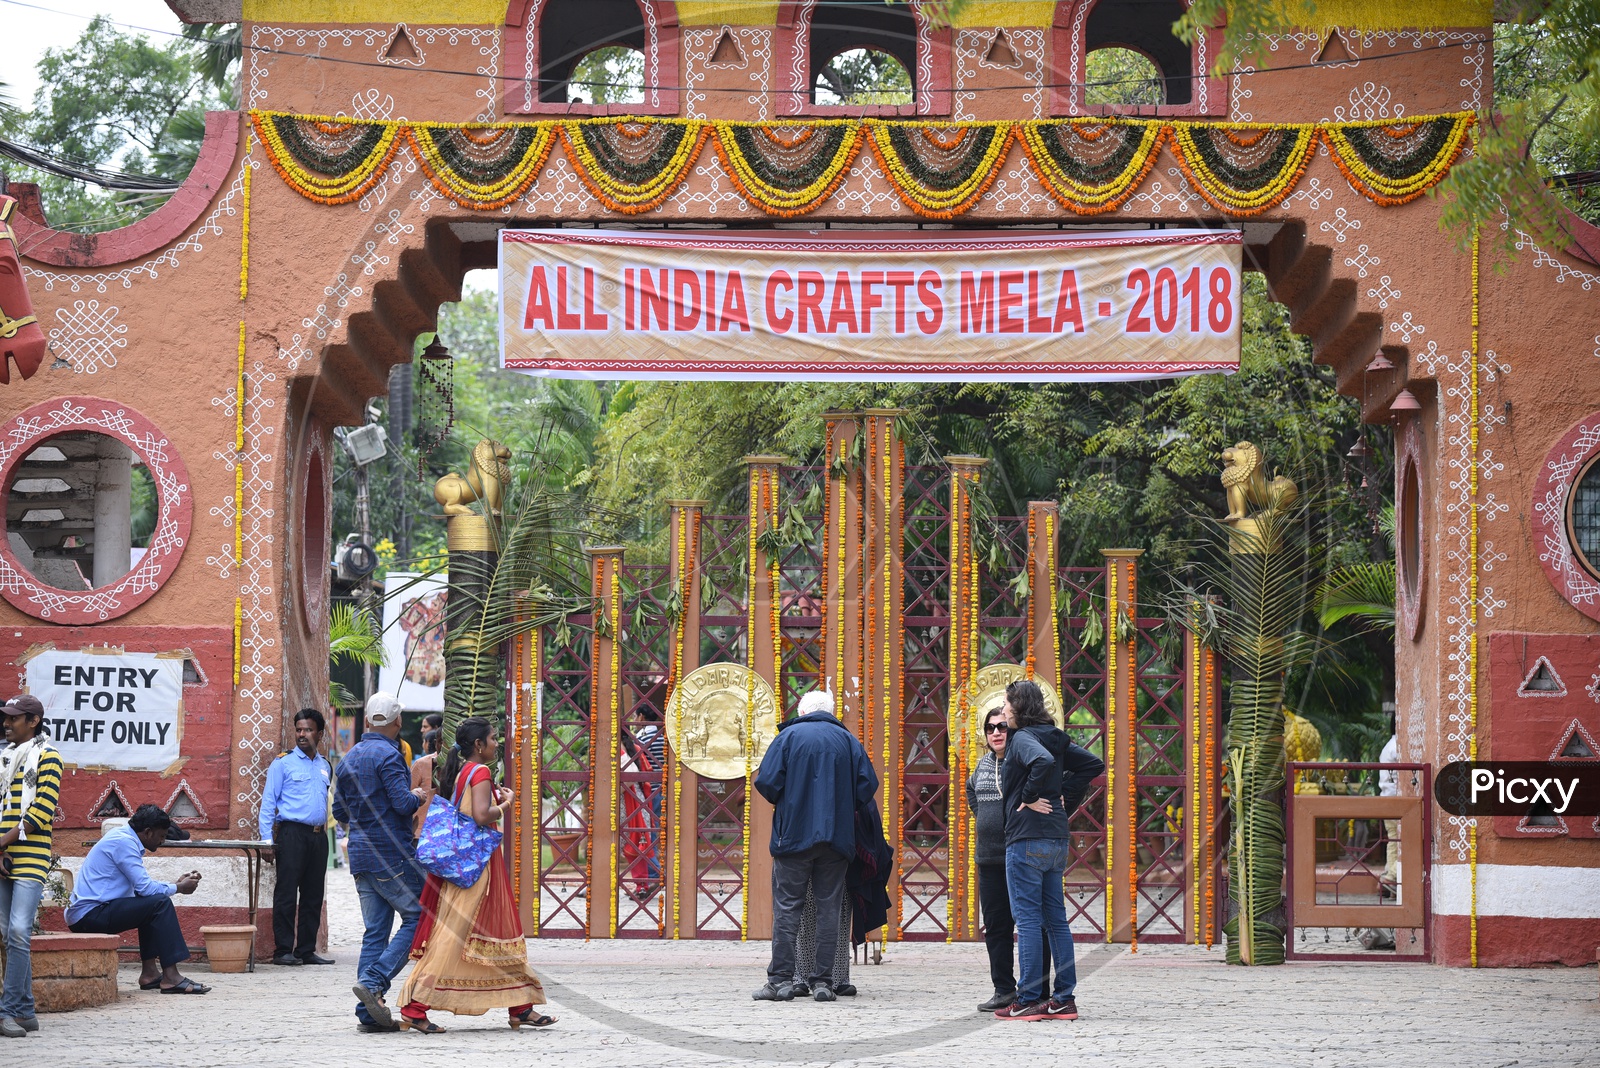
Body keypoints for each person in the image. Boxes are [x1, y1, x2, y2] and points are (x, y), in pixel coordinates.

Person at [397, 717, 555, 1033]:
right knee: (455, 935)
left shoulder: (460, 771)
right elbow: (482, 815)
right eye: (494, 738)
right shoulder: (480, 771)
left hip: (468, 863)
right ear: (479, 745)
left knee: (490, 935)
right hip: (477, 868)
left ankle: (521, 1005)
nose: (497, 743)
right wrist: (507, 804)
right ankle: (415, 1007)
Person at [752, 687, 878, 1003]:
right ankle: (823, 982)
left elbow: (767, 782)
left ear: (803, 711)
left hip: (792, 837)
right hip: (837, 839)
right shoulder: (848, 741)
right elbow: (867, 788)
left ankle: (780, 981)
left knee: (786, 908)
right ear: (831, 712)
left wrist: (791, 800)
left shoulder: (788, 738)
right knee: (829, 908)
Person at [996, 680, 1102, 1023]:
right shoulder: (1056, 738)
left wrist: (1028, 796)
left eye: (1008, 705)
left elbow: (1039, 762)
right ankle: (1063, 999)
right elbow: (1092, 764)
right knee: (1056, 920)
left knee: (1027, 921)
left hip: (1025, 838)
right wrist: (1064, 799)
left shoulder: (1023, 739)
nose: (1004, 712)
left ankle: (1027, 998)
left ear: (1020, 708)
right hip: (1056, 839)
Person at [333, 693, 426, 1034]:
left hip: (359, 853)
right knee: (419, 917)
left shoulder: (348, 759)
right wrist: (417, 796)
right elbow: (402, 803)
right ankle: (374, 981)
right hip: (391, 853)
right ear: (398, 723)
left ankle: (367, 1012)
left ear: (369, 720)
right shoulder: (390, 755)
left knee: (375, 931)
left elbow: (339, 813)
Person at [66, 804, 208, 995]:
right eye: (161, 836)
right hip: (89, 915)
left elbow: (143, 889)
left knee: (152, 902)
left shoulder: (124, 838)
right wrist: (179, 888)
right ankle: (172, 977)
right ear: (148, 832)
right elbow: (146, 888)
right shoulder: (124, 842)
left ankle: (150, 974)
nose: (163, 841)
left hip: (94, 911)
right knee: (160, 903)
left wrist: (174, 884)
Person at [967, 703, 1050, 1013]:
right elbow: (971, 791)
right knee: (997, 927)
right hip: (988, 859)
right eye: (991, 728)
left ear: (1012, 730)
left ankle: (1038, 991)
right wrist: (986, 819)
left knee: (1033, 924)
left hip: (1022, 855)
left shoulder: (1022, 762)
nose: (996, 733)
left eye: (1002, 726)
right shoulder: (982, 765)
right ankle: (1003, 990)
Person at [0, 695, 63, 1036]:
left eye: (14, 719)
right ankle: (25, 1011)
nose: (7, 724)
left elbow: (39, 814)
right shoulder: (4, 758)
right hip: (4, 855)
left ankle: (6, 1011)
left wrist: (1, 843)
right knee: (7, 935)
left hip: (31, 857)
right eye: (6, 719)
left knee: (20, 932)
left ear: (33, 720)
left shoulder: (49, 758)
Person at [259, 708, 335, 967]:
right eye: (299, 729)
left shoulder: (325, 765)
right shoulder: (283, 763)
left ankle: (305, 950)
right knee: (287, 892)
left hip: (318, 837)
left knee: (313, 894)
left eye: (308, 730)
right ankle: (283, 951)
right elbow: (268, 803)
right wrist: (266, 841)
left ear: (320, 733)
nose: (302, 734)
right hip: (291, 834)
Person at [410, 727, 441, 839]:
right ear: (438, 744)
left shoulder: (462, 765)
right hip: (420, 833)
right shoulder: (422, 764)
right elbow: (408, 794)